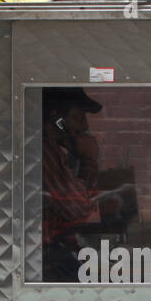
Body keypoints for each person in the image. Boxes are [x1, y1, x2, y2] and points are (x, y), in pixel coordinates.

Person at [40, 87, 132, 281]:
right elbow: (78, 209)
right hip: (45, 260)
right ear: (59, 121)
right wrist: (89, 160)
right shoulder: (45, 152)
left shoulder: (57, 153)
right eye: (78, 117)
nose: (84, 126)